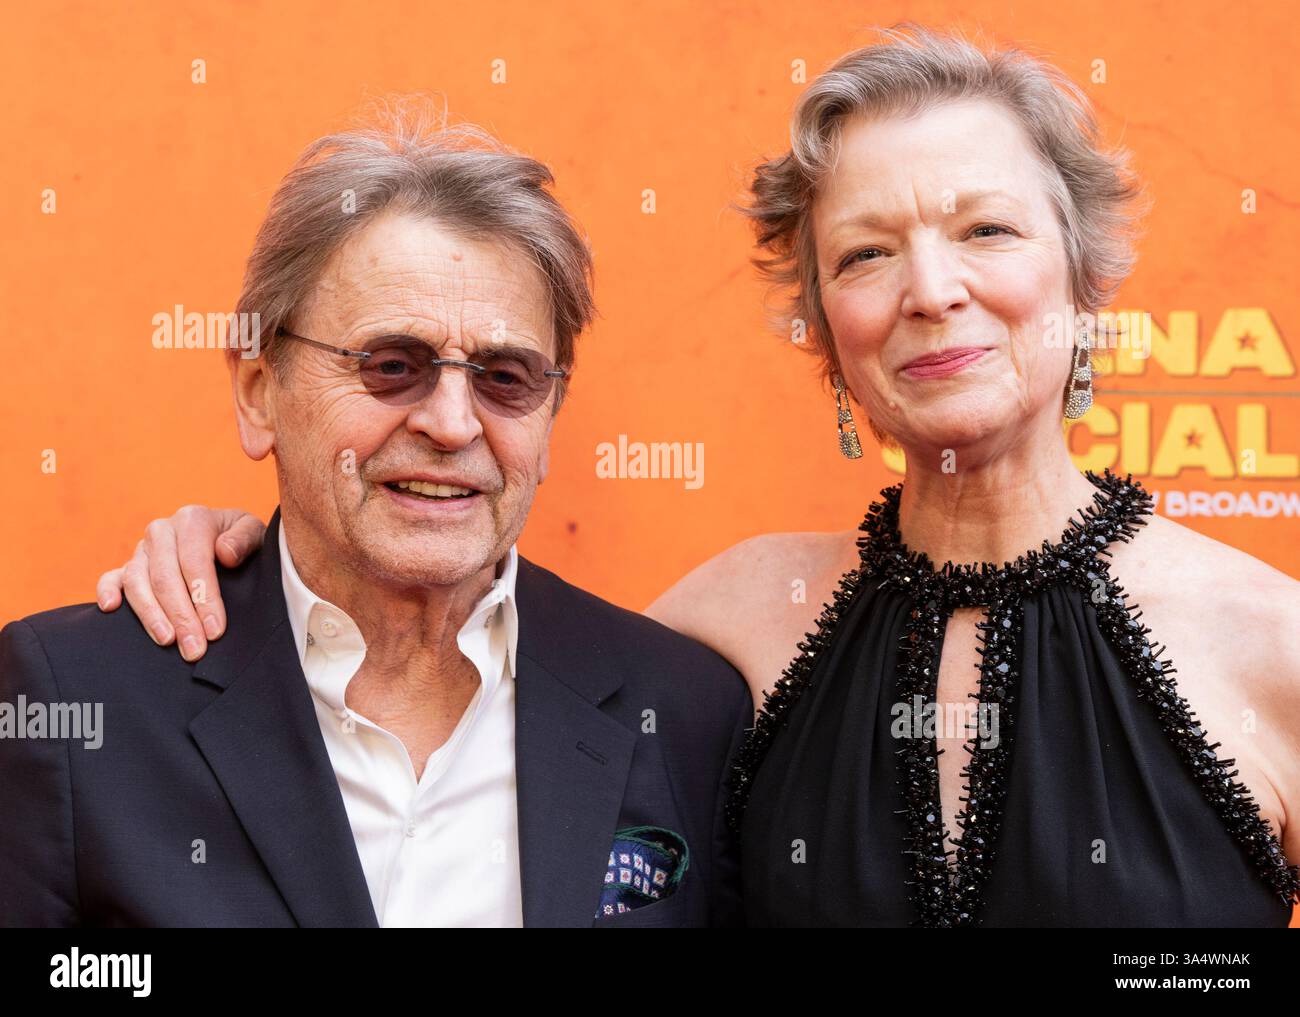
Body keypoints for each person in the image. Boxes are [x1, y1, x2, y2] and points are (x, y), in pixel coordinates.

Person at [93, 27, 1300, 926]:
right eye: (866, 253)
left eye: (986, 230)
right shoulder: (726, 633)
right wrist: (246, 557)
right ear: (827, 333)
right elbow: (439, 613)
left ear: (1082, 279)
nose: (931, 289)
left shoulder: (1270, 647)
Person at [0, 109, 752, 928]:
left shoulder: (684, 710)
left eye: (505, 376)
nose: (453, 423)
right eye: (393, 365)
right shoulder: (77, 705)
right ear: (259, 392)